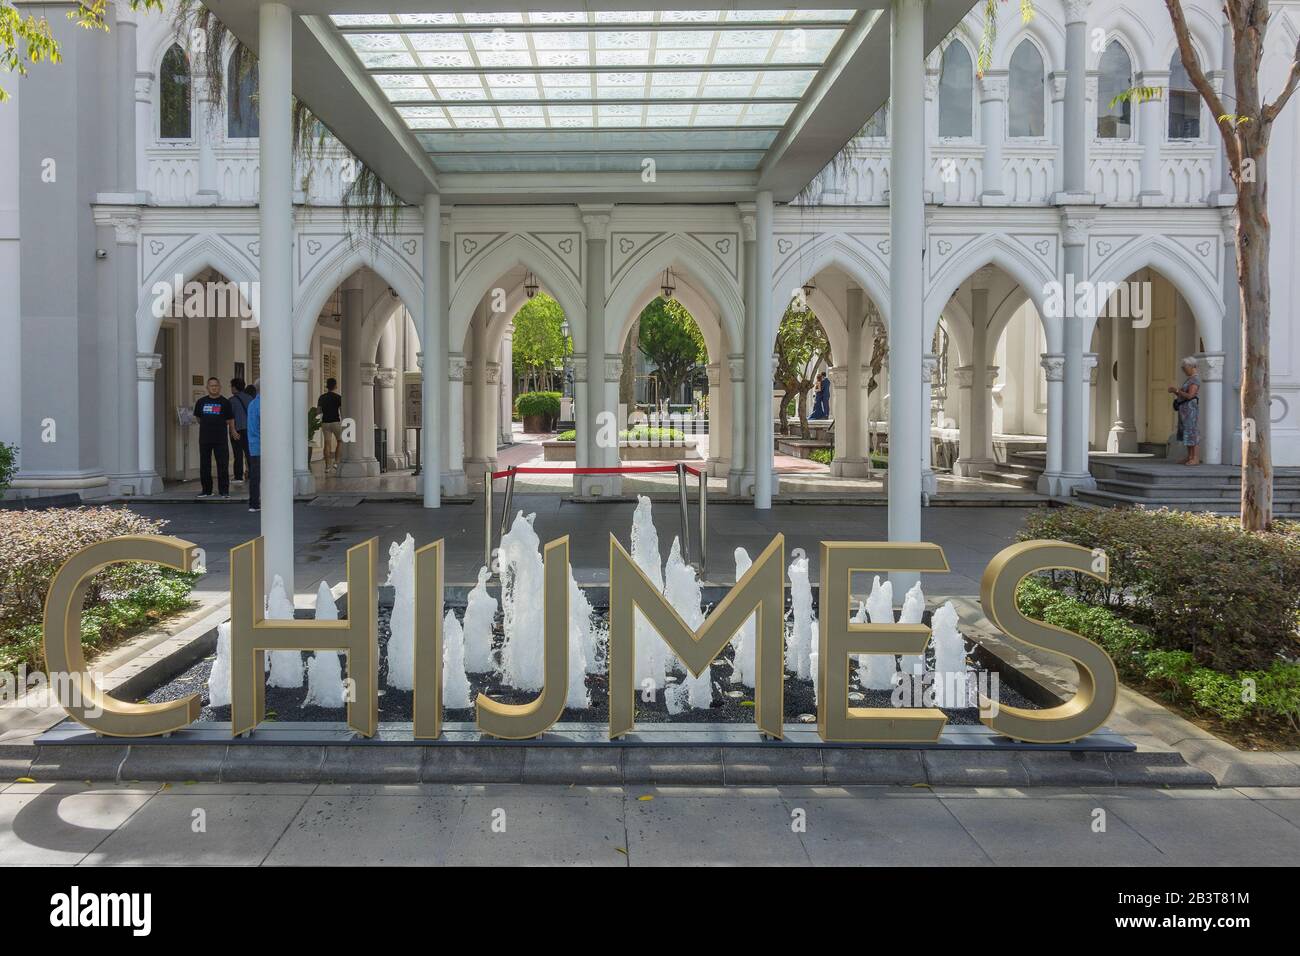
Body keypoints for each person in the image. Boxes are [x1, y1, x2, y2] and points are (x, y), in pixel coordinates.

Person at [194, 377, 237, 498]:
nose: (214, 387)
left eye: (216, 385)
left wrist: (233, 430)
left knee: (222, 465)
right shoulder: (201, 402)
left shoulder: (225, 402)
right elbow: (198, 418)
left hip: (220, 439)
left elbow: (230, 419)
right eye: (211, 386)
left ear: (220, 387)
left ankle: (224, 491)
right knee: (205, 465)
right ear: (207, 388)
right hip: (205, 439)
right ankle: (207, 490)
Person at [1168, 357, 1201, 466]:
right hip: (1184, 410)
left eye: (1185, 367)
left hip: (1190, 410)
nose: (1183, 370)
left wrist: (1177, 391)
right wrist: (1176, 392)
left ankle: (1195, 457)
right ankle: (1189, 456)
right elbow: (1184, 395)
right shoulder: (1189, 379)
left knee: (1191, 432)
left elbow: (1190, 395)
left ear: (1192, 367)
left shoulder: (1195, 379)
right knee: (1186, 432)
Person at [229, 377, 252, 484]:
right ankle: (252, 473)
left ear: (234, 387)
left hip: (237, 430)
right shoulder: (250, 398)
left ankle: (238, 476)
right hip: (249, 429)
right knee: (249, 453)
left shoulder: (232, 400)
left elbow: (230, 417)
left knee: (237, 454)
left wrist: (233, 430)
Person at [318, 377, 343, 473]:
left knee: (327, 444)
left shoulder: (322, 397)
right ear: (335, 386)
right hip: (335, 422)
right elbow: (341, 411)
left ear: (327, 386)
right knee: (340, 441)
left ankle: (327, 466)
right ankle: (336, 462)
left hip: (325, 423)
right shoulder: (338, 397)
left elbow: (318, 411)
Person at [247, 381, 261, 513]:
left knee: (255, 476)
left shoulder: (252, 403)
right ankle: (256, 503)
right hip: (262, 444)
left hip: (253, 443)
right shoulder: (263, 404)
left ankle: (253, 503)